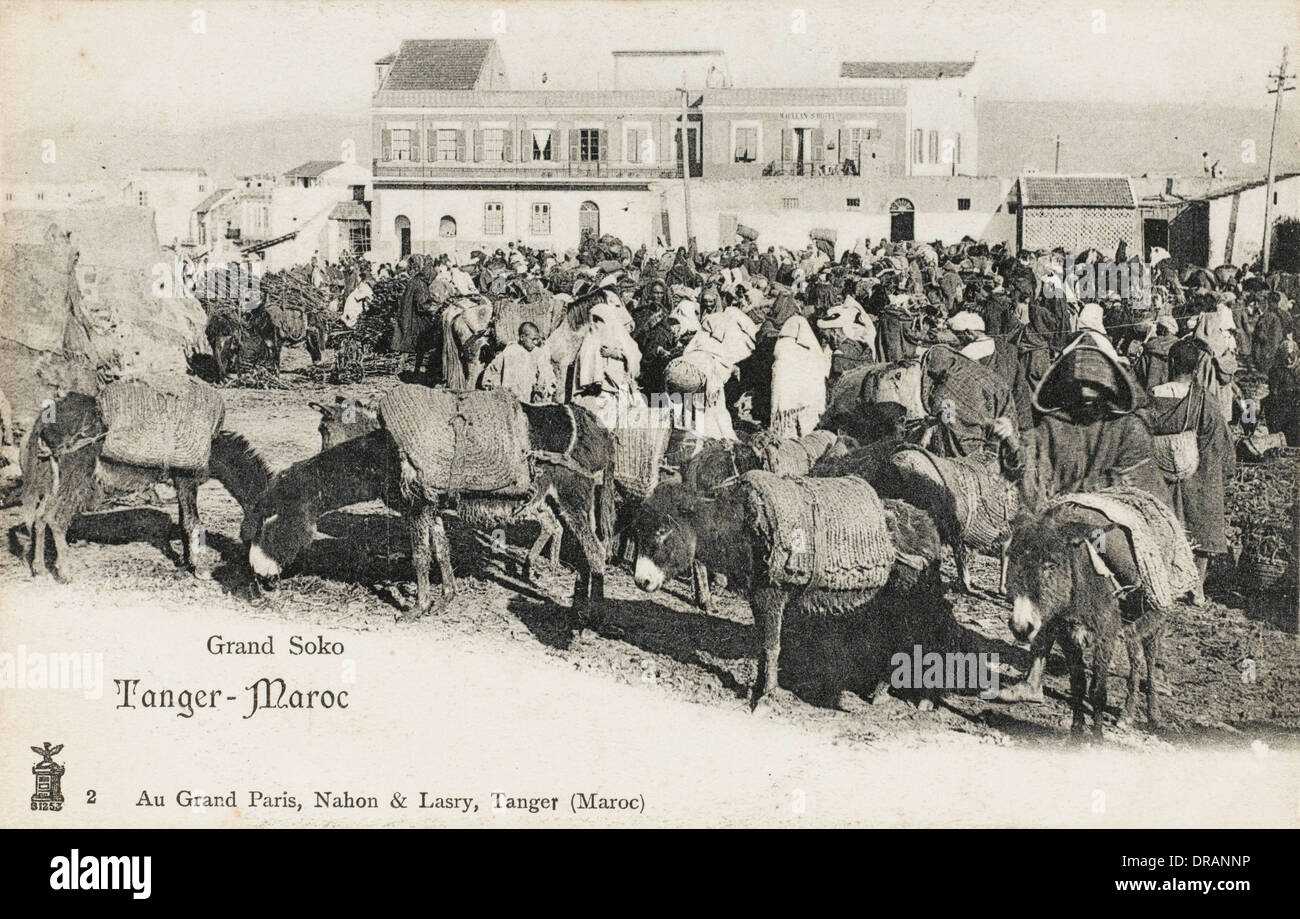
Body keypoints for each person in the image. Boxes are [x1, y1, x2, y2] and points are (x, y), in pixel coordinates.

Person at [1148, 338, 1234, 589]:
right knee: (1204, 514)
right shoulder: (1204, 400)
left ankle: (1164, 579)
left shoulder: (1151, 398)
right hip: (1196, 471)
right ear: (1196, 367)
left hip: (1160, 474)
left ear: (1171, 364)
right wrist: (1220, 475)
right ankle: (1196, 587)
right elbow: (1217, 444)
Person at [769, 309, 832, 438]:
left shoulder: (782, 348)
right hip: (808, 406)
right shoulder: (813, 352)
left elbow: (777, 385)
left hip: (785, 411)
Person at [481, 321, 551, 402]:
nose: (535, 343)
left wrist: (540, 389)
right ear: (522, 337)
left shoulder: (537, 354)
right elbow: (491, 371)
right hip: (507, 401)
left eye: (537, 339)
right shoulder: (509, 352)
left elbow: (543, 375)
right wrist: (491, 386)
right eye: (533, 339)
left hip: (528, 402)